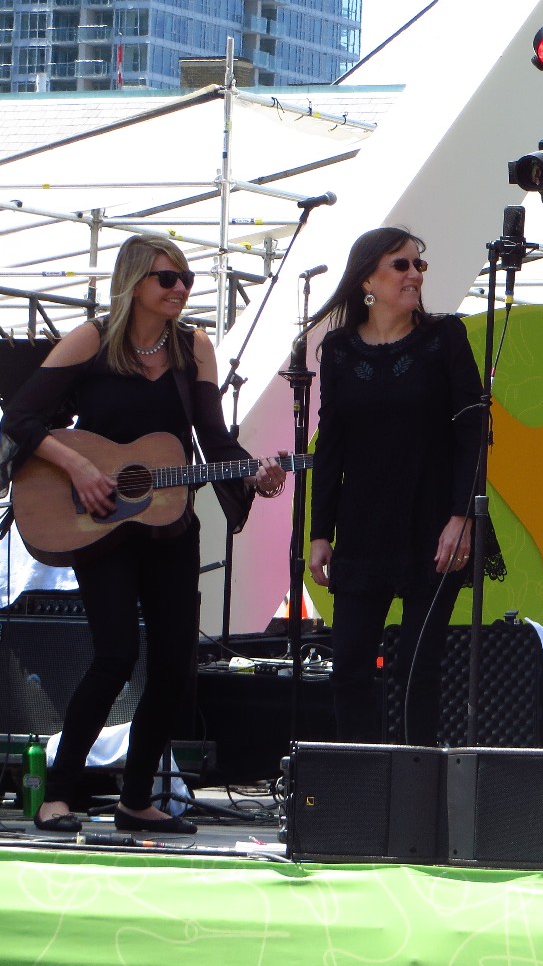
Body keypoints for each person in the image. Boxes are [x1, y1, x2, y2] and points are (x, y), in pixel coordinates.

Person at [0, 234, 284, 835]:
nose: (180, 288)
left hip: (166, 520)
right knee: (115, 655)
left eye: (185, 278)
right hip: (98, 520)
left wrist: (249, 469)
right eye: (167, 279)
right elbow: (20, 417)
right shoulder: (93, 339)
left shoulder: (192, 349)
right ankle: (59, 793)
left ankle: (137, 798)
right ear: (135, 283)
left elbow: (212, 434)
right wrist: (79, 466)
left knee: (176, 662)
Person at [308, 226, 496, 746]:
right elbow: (332, 444)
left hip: (433, 522)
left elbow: (473, 433)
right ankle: (360, 784)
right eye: (401, 265)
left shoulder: (445, 338)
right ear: (367, 276)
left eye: (419, 265)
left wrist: (461, 516)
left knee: (416, 670)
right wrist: (320, 531)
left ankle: (416, 789)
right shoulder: (340, 349)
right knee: (348, 667)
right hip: (363, 525)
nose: (414, 274)